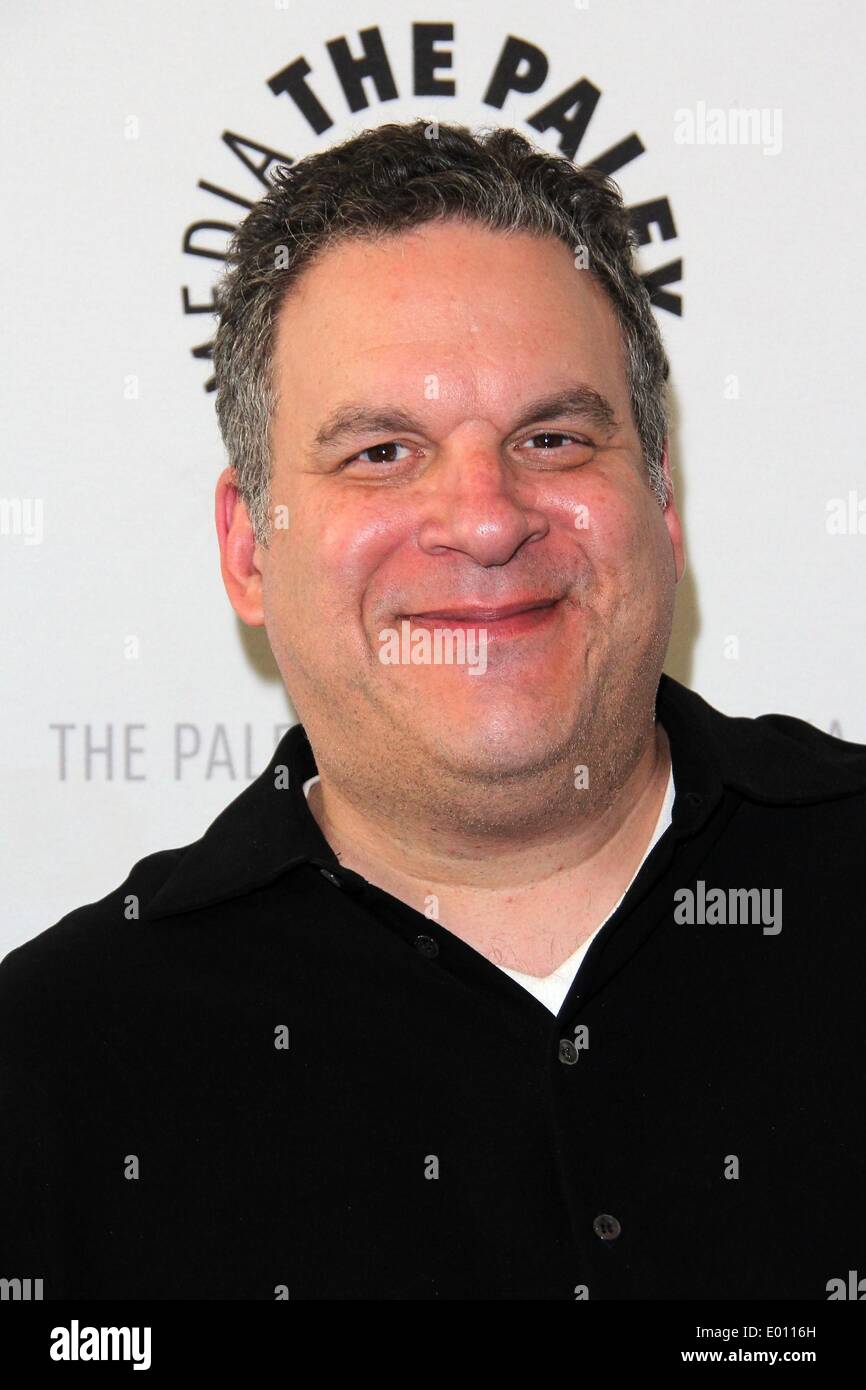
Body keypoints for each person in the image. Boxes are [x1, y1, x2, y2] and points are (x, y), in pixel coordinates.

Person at [1, 119, 864, 1301]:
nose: (484, 517)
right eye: (381, 452)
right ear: (249, 548)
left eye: (550, 437)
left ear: (662, 505)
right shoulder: (49, 1076)